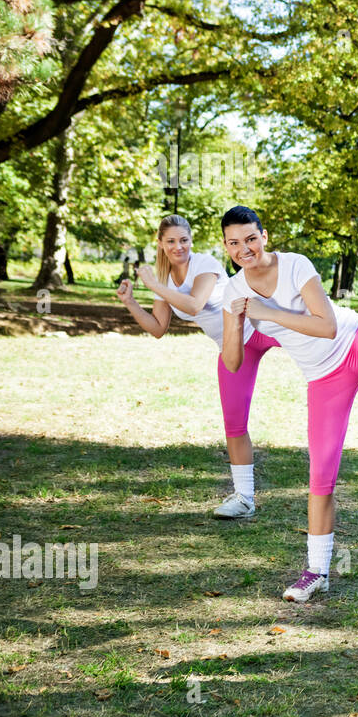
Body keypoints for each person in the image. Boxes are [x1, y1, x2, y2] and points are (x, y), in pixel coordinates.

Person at [219, 206, 358, 602]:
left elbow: (327, 324)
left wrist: (269, 312)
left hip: (355, 338)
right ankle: (317, 572)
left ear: (264, 236)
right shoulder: (234, 290)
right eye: (234, 243)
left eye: (250, 238)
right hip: (323, 378)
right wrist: (235, 320)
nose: (244, 248)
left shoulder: (295, 265)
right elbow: (232, 361)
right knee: (320, 477)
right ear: (226, 247)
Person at [116, 214, 277, 518]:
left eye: (184, 240)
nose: (179, 247)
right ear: (161, 243)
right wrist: (131, 302)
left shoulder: (204, 264)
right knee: (234, 423)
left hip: (262, 325)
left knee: (322, 340)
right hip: (230, 346)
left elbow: (193, 305)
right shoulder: (163, 281)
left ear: (191, 240)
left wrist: (153, 283)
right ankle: (244, 499)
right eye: (172, 241)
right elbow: (158, 328)